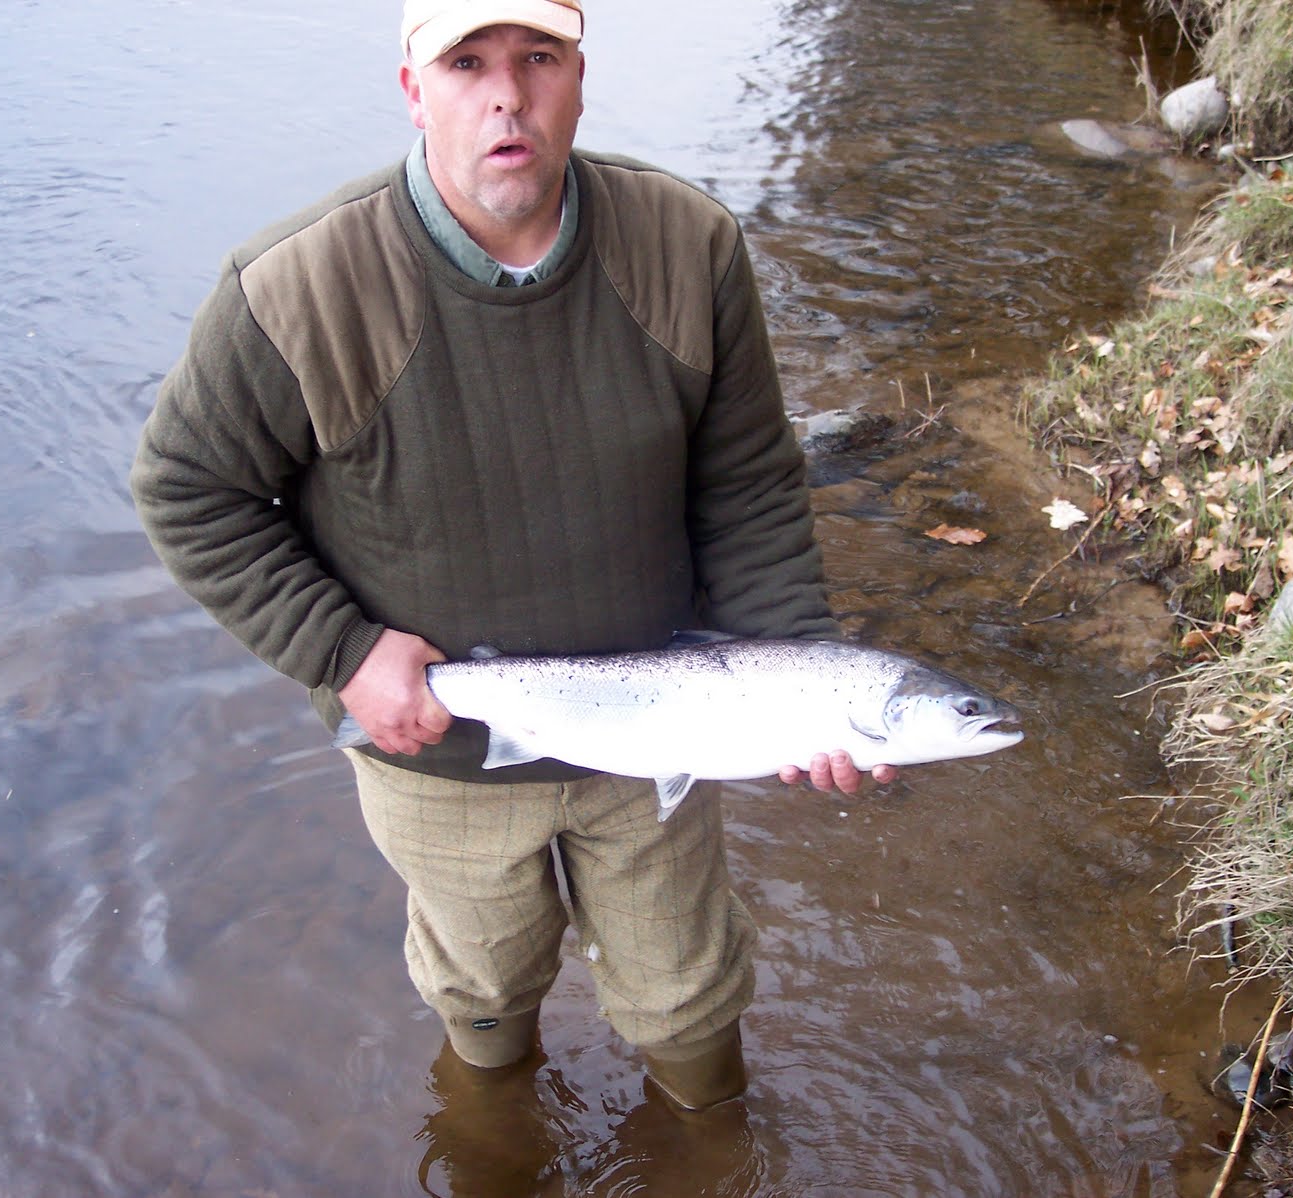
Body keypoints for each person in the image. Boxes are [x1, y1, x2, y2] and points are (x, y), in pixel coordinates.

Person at [129, 0, 895, 1113]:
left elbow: (747, 485)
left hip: (664, 733)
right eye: (467, 62)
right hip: (436, 746)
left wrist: (805, 677)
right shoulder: (291, 286)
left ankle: (706, 1150)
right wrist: (341, 652)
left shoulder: (688, 243)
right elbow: (188, 491)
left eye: (539, 57)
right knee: (481, 990)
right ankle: (495, 1136)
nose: (507, 95)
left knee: (687, 999)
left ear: (580, 75)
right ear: (414, 90)